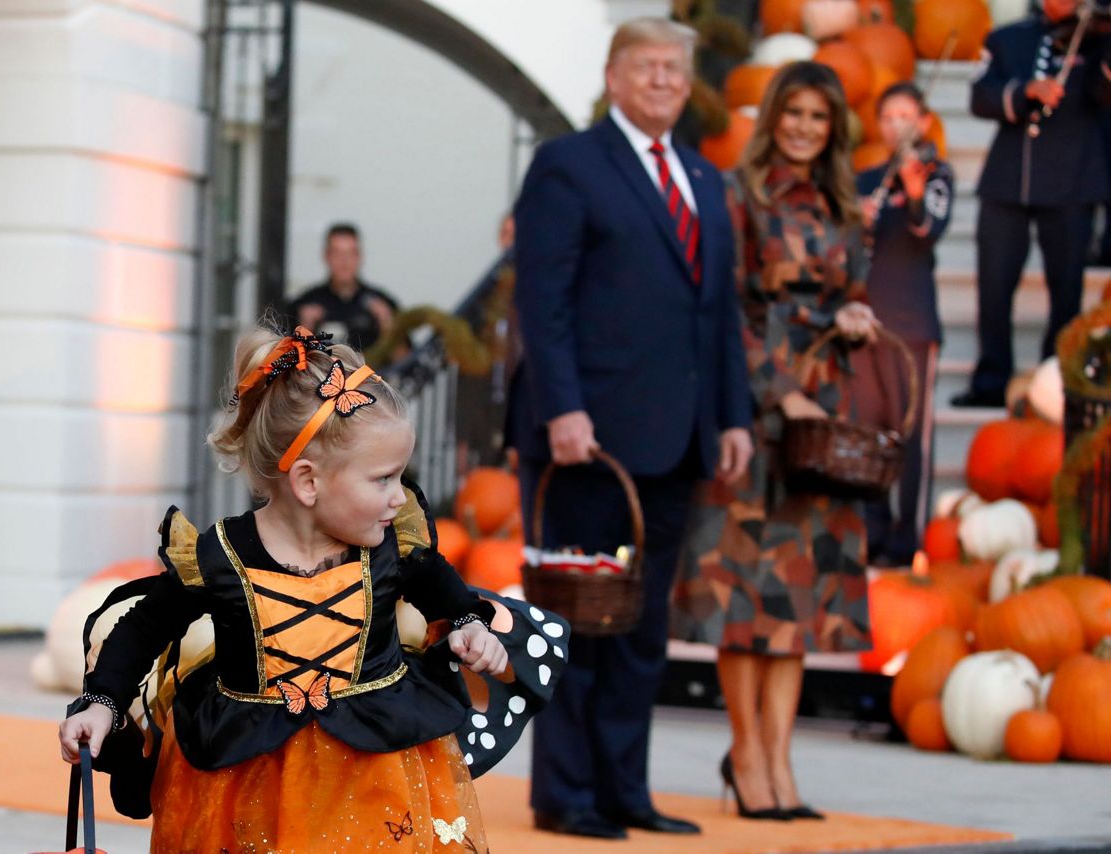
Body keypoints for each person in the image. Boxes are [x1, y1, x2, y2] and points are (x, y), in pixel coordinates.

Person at [58, 325, 568, 852]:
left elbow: (444, 588)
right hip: (248, 778)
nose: (400, 497)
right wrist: (102, 701)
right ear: (308, 482)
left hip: (376, 771)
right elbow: (145, 626)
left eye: (399, 477)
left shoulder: (390, 549)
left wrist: (468, 624)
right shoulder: (218, 558)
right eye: (382, 479)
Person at [510, 17, 754, 840]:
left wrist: (731, 418)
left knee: (642, 629)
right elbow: (539, 301)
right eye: (645, 66)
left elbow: (716, 314)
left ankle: (625, 792)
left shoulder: (704, 178)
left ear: (690, 85)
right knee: (577, 619)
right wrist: (561, 407)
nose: (661, 80)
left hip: (678, 436)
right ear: (614, 77)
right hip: (587, 438)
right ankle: (566, 794)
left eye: (674, 70)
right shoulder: (568, 165)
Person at [676, 60, 876, 822]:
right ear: (773, 118)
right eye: (792, 113)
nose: (803, 128)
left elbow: (849, 294)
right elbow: (721, 307)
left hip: (822, 417)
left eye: (818, 118)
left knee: (797, 604)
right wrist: (776, 390)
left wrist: (854, 319)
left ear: (833, 129)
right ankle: (748, 757)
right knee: (745, 599)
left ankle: (780, 762)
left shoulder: (844, 206)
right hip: (750, 407)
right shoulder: (737, 196)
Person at [951, 0, 1111, 408]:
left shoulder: (1098, 41)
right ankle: (991, 380)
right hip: (1007, 182)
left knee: (1067, 291)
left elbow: (1103, 93)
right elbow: (980, 96)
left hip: (1074, 181)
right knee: (994, 286)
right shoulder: (1007, 39)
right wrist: (1024, 91)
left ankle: (1053, 384)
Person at [856, 82, 956, 565]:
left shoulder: (936, 176)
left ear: (922, 122)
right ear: (879, 125)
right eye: (889, 116)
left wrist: (913, 194)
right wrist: (860, 222)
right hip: (866, 323)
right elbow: (849, 252)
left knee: (911, 435)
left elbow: (929, 231)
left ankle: (907, 536)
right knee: (869, 431)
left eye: (906, 116)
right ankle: (870, 528)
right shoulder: (867, 181)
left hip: (912, 324)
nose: (898, 125)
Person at [288, 223, 401, 352]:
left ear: (360, 257)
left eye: (350, 253)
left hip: (372, 370)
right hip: (323, 370)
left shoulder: (383, 303)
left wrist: (387, 326)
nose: (344, 261)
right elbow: (283, 363)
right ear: (326, 256)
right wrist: (305, 327)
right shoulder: (304, 304)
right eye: (337, 253)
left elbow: (406, 363)